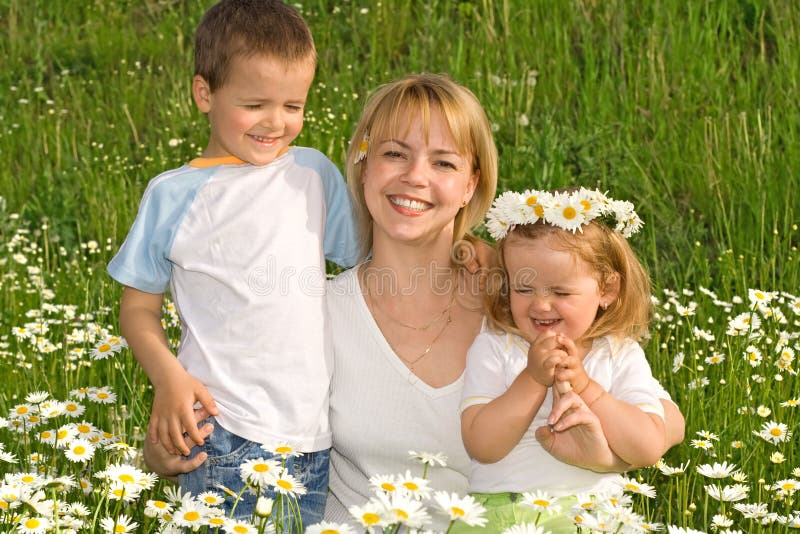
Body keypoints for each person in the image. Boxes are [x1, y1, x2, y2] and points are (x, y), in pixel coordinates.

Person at [143, 75, 685, 531]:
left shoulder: (520, 302)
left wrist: (605, 458)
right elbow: (237, 428)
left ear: (472, 184)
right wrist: (167, 451)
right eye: (394, 154)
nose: (415, 177)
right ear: (364, 167)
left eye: (444, 163)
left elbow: (661, 420)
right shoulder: (313, 311)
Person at [108, 0, 359, 525]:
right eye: (255, 104)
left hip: (314, 441)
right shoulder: (172, 196)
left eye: (293, 105)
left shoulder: (312, 174)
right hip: (224, 433)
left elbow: (371, 258)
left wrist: (458, 247)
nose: (276, 122)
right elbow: (136, 310)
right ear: (205, 94)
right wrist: (169, 379)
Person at [458, 188, 676, 532]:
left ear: (607, 290)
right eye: (524, 289)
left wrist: (587, 388)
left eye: (560, 292)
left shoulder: (618, 355)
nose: (541, 304)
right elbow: (482, 445)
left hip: (592, 515)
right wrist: (532, 380)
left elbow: (648, 447)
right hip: (502, 513)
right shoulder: (497, 346)